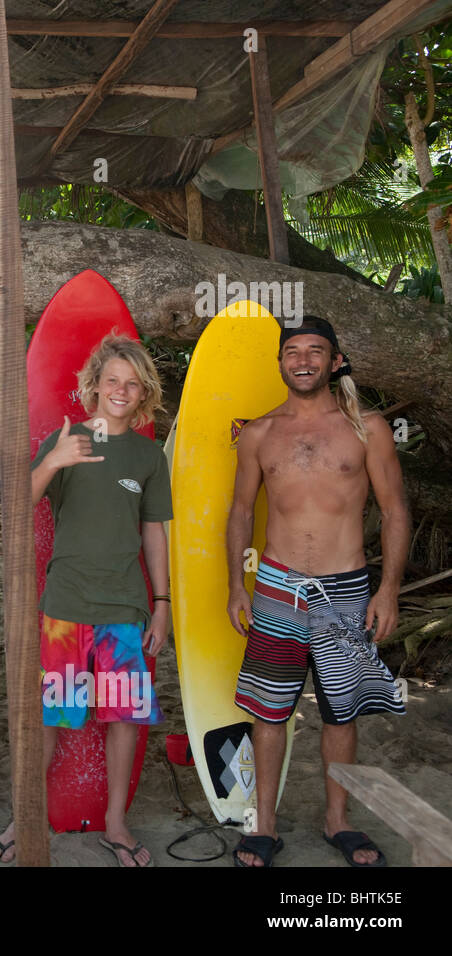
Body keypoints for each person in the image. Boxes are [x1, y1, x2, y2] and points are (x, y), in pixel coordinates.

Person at [227, 315, 408, 868]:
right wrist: (236, 583)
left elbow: (396, 509)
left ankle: (338, 822)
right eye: (293, 351)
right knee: (270, 712)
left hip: (347, 593)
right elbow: (239, 511)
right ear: (280, 362)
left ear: (334, 361)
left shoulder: (366, 426)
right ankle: (264, 826)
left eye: (316, 351)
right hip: (278, 590)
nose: (303, 360)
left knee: (340, 713)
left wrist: (390, 590)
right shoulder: (258, 432)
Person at [0, 334, 171, 868]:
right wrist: (56, 459)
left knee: (122, 718)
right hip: (65, 607)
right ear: (96, 384)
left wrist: (162, 602)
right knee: (49, 717)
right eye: (113, 379)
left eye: (132, 384)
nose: (121, 390)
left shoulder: (147, 455)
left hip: (124, 609)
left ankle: (116, 822)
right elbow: (19, 505)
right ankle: (23, 818)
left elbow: (155, 532)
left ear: (143, 395)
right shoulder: (64, 438)